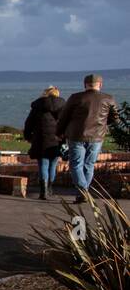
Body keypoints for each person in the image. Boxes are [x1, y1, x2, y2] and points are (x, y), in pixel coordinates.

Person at [57, 73, 119, 202]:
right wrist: (103, 124)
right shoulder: (108, 98)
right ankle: (84, 192)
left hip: (76, 135)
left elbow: (64, 116)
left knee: (76, 164)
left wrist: (59, 132)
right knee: (89, 165)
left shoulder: (75, 97)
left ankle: (83, 191)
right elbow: (115, 118)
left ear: (85, 85)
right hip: (97, 137)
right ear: (100, 84)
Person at [23, 86, 64, 200]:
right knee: (53, 165)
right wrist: (64, 138)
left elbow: (28, 123)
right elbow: (65, 123)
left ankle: (43, 192)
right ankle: (50, 188)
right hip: (56, 140)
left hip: (40, 139)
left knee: (43, 165)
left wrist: (28, 137)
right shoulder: (62, 106)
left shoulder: (37, 107)